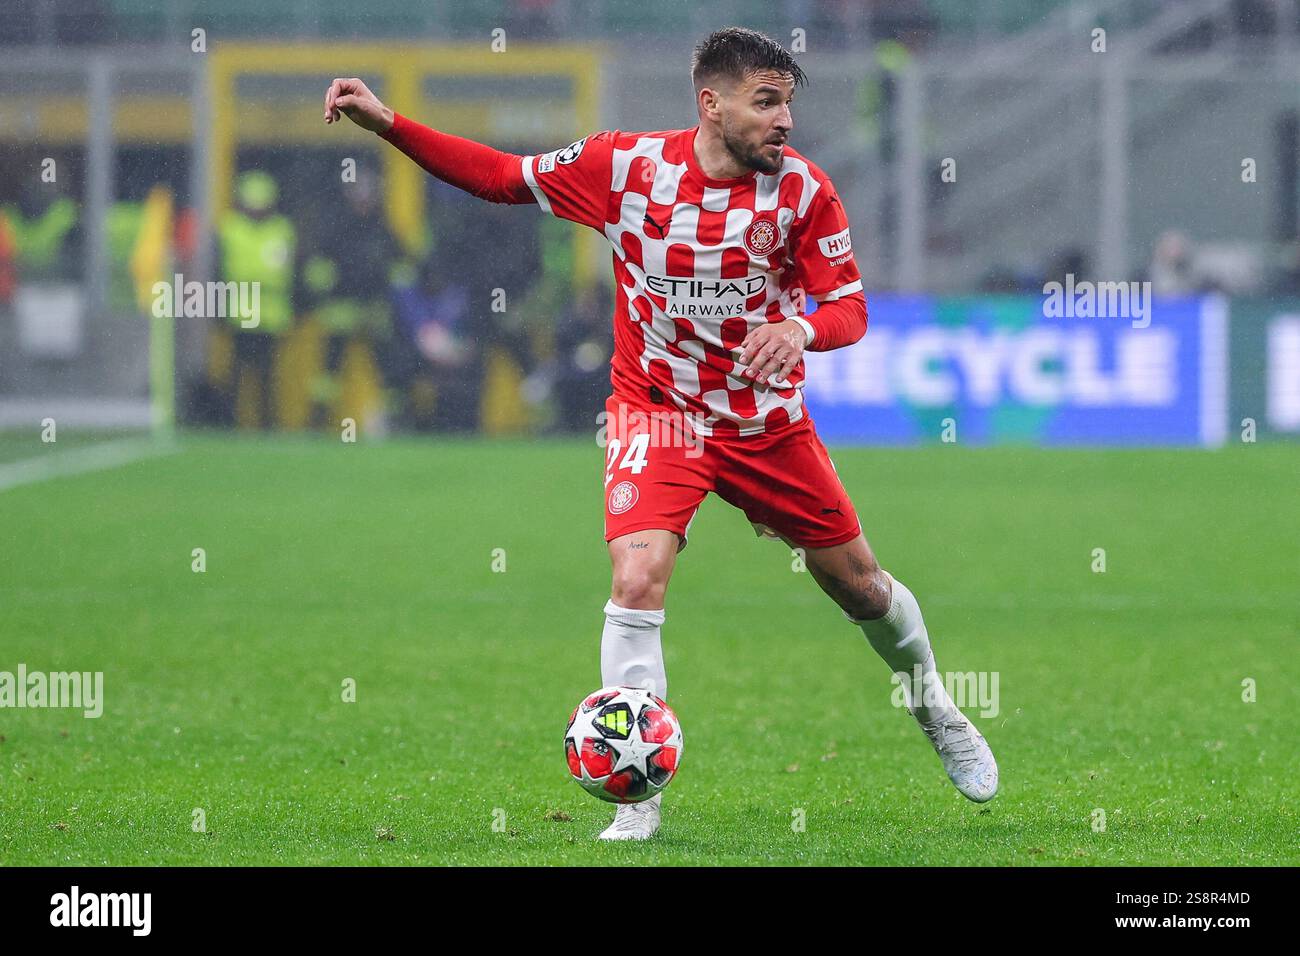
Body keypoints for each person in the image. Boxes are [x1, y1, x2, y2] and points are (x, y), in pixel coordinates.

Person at [324, 26, 998, 840]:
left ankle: (937, 711)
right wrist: (390, 123)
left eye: (788, 102)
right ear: (710, 104)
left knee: (858, 584)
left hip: (764, 423)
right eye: (766, 102)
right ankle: (637, 792)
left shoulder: (804, 194)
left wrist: (803, 332)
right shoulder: (626, 168)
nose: (784, 120)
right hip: (657, 413)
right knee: (637, 579)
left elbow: (849, 307)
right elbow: (501, 177)